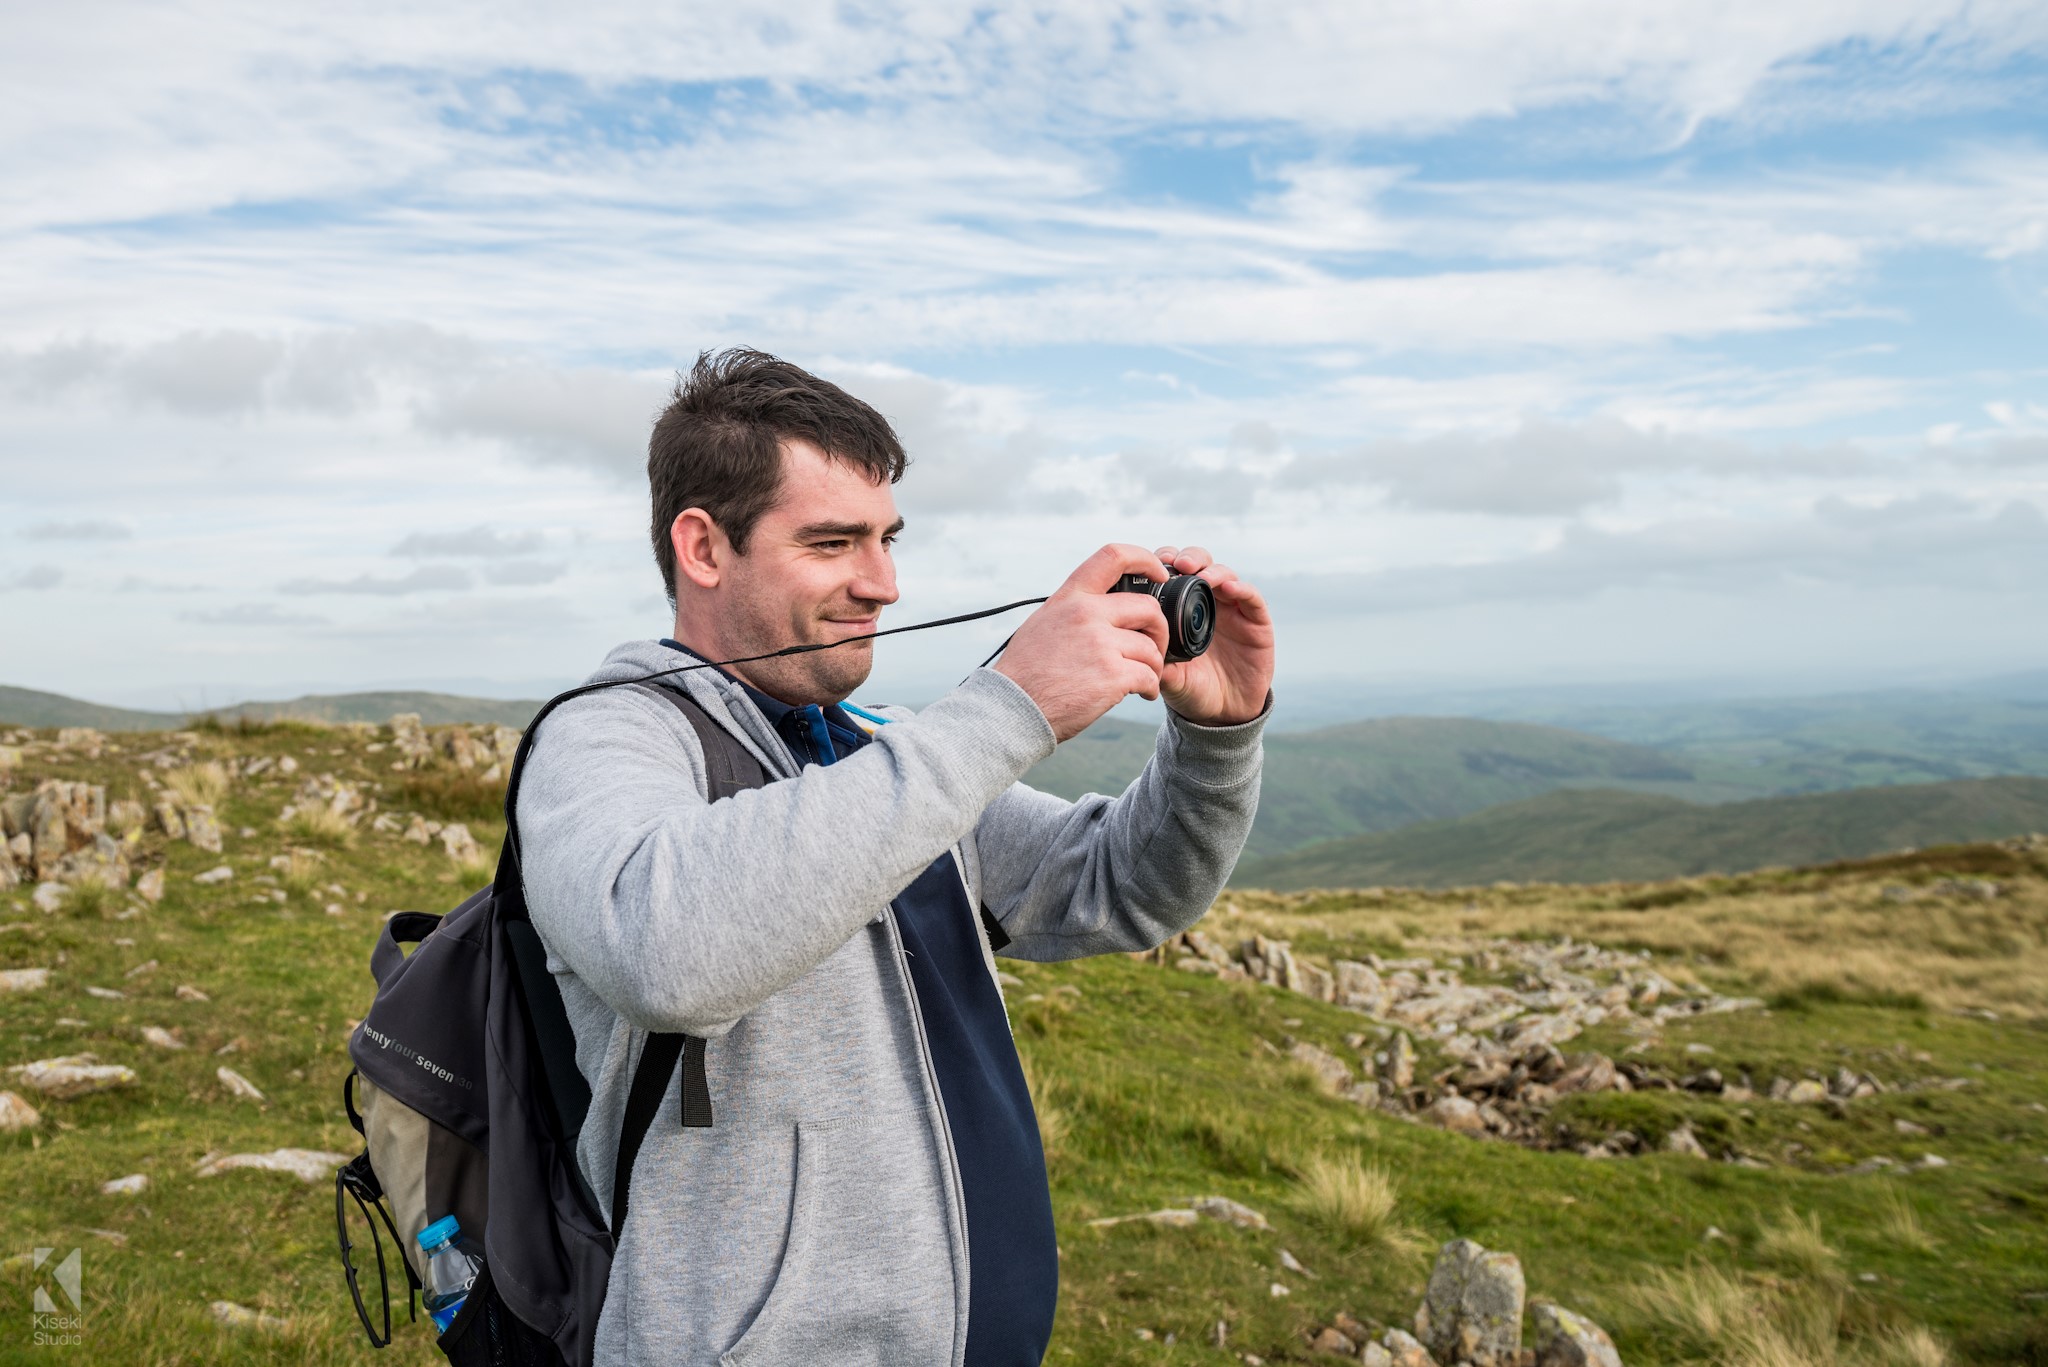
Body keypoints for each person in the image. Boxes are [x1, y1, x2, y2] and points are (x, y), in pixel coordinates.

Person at [520, 348, 1273, 1366]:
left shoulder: (881, 749)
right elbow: (667, 953)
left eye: (885, 539)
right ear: (702, 546)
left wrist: (1216, 737)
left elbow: (1122, 886)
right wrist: (1008, 707)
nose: (882, 583)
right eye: (832, 542)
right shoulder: (604, 736)